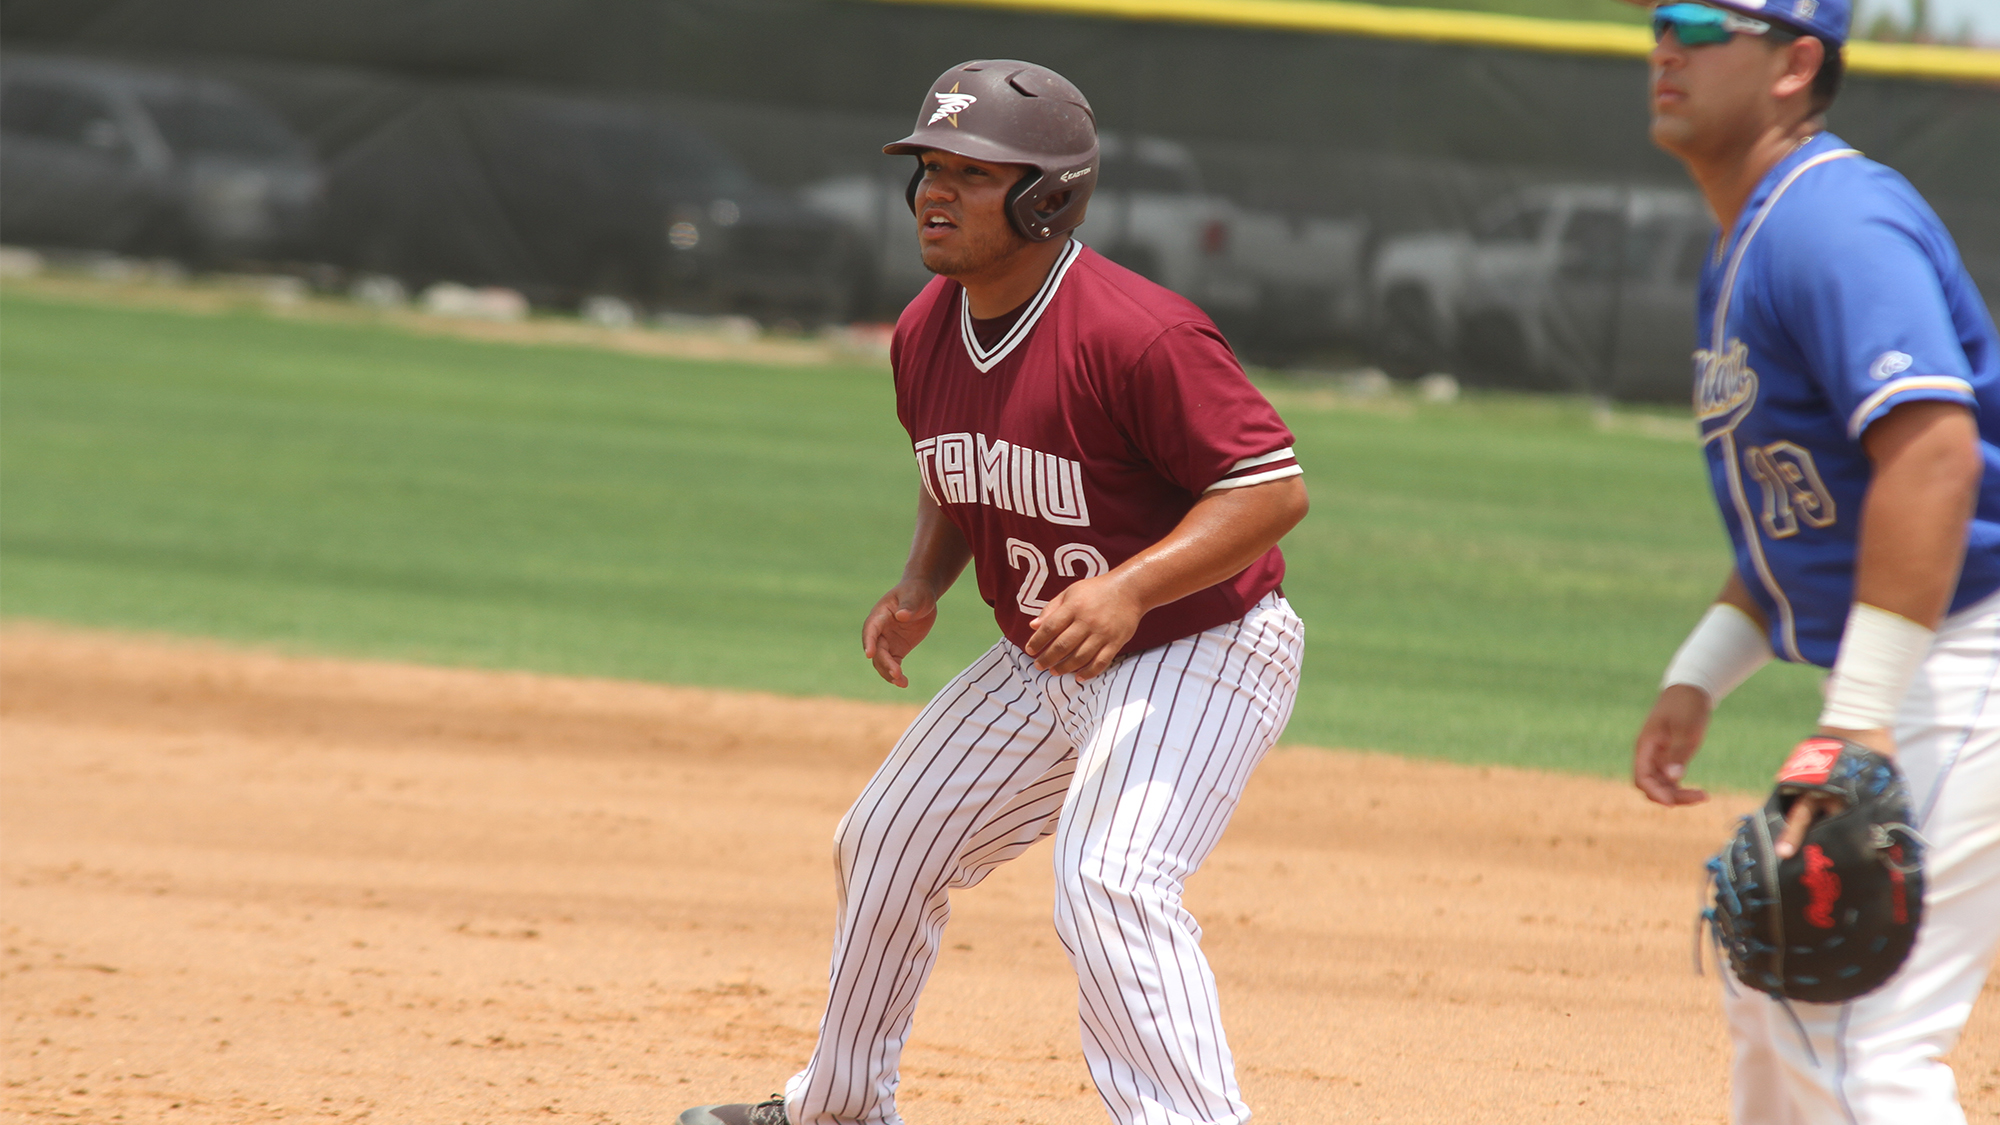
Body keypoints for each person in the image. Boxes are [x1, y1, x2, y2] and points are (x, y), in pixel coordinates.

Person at [678, 60, 1309, 1125]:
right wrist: (923, 580)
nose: (933, 191)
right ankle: (835, 1107)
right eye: (926, 167)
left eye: (971, 174)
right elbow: (953, 463)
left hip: (1196, 648)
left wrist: (1129, 589)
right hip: (1045, 657)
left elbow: (1267, 491)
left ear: (1045, 197)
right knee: (884, 840)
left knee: (1110, 881)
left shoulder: (1135, 332)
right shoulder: (927, 327)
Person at [1627, 1, 2000, 1121]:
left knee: (1856, 1038)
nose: (1667, 43)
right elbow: (1809, 521)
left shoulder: (1830, 221)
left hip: (1967, 657)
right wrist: (1699, 672)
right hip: (1941, 658)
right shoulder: (1753, 234)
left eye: (1703, 21)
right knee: (1782, 983)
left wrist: (1855, 716)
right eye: (1658, 17)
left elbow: (1933, 457)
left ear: (1794, 62)